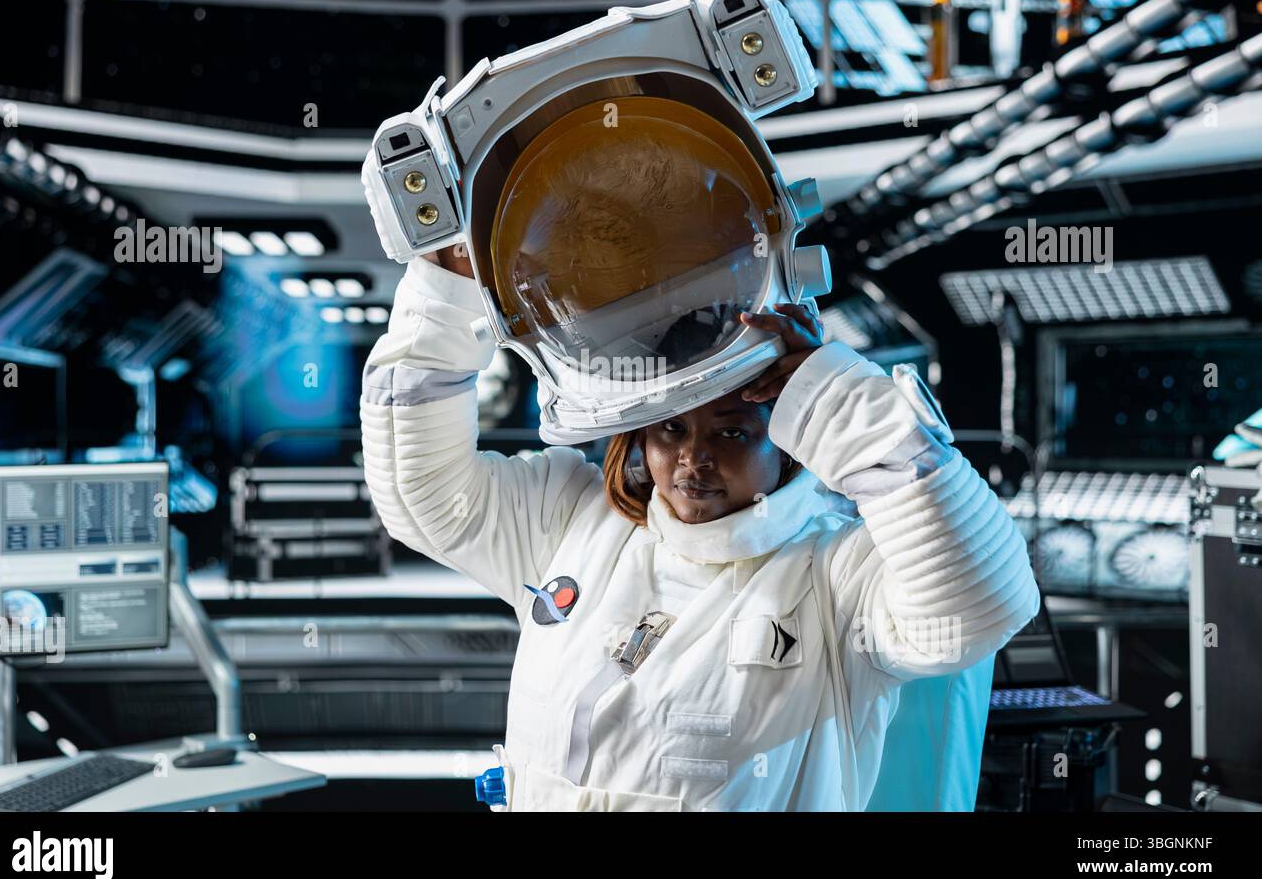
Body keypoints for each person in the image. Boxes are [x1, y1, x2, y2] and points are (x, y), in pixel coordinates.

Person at [359, 244, 1041, 812]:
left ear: (790, 439)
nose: (694, 459)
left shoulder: (836, 573)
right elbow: (425, 498)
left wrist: (833, 392)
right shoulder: (572, 519)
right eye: (672, 429)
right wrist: (446, 293)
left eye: (733, 432)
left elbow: (979, 609)